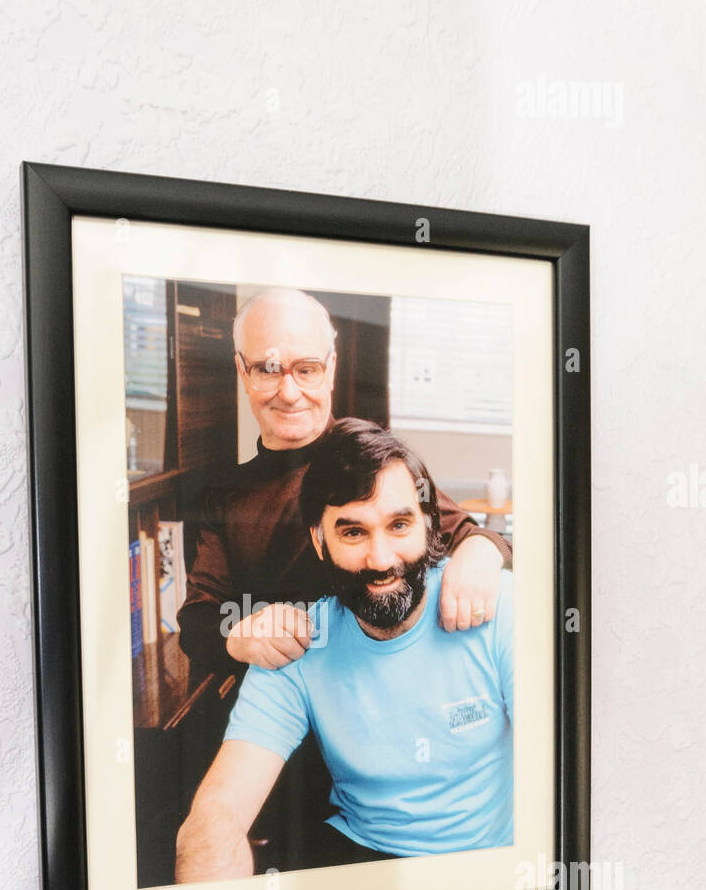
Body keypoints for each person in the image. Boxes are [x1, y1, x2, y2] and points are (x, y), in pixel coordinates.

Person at [175, 421, 513, 883]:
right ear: (319, 539)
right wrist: (205, 847)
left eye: (399, 525)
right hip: (358, 862)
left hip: (485, 865)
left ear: (429, 524)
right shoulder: (295, 642)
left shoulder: (496, 606)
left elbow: (559, 774)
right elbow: (218, 813)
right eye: (353, 532)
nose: (380, 559)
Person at [177, 287, 511, 679]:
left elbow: (479, 538)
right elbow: (197, 623)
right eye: (268, 369)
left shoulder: (378, 461)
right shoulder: (222, 496)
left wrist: (479, 556)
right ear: (242, 372)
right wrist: (238, 635)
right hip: (281, 702)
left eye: (307, 369)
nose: (289, 392)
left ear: (331, 369)